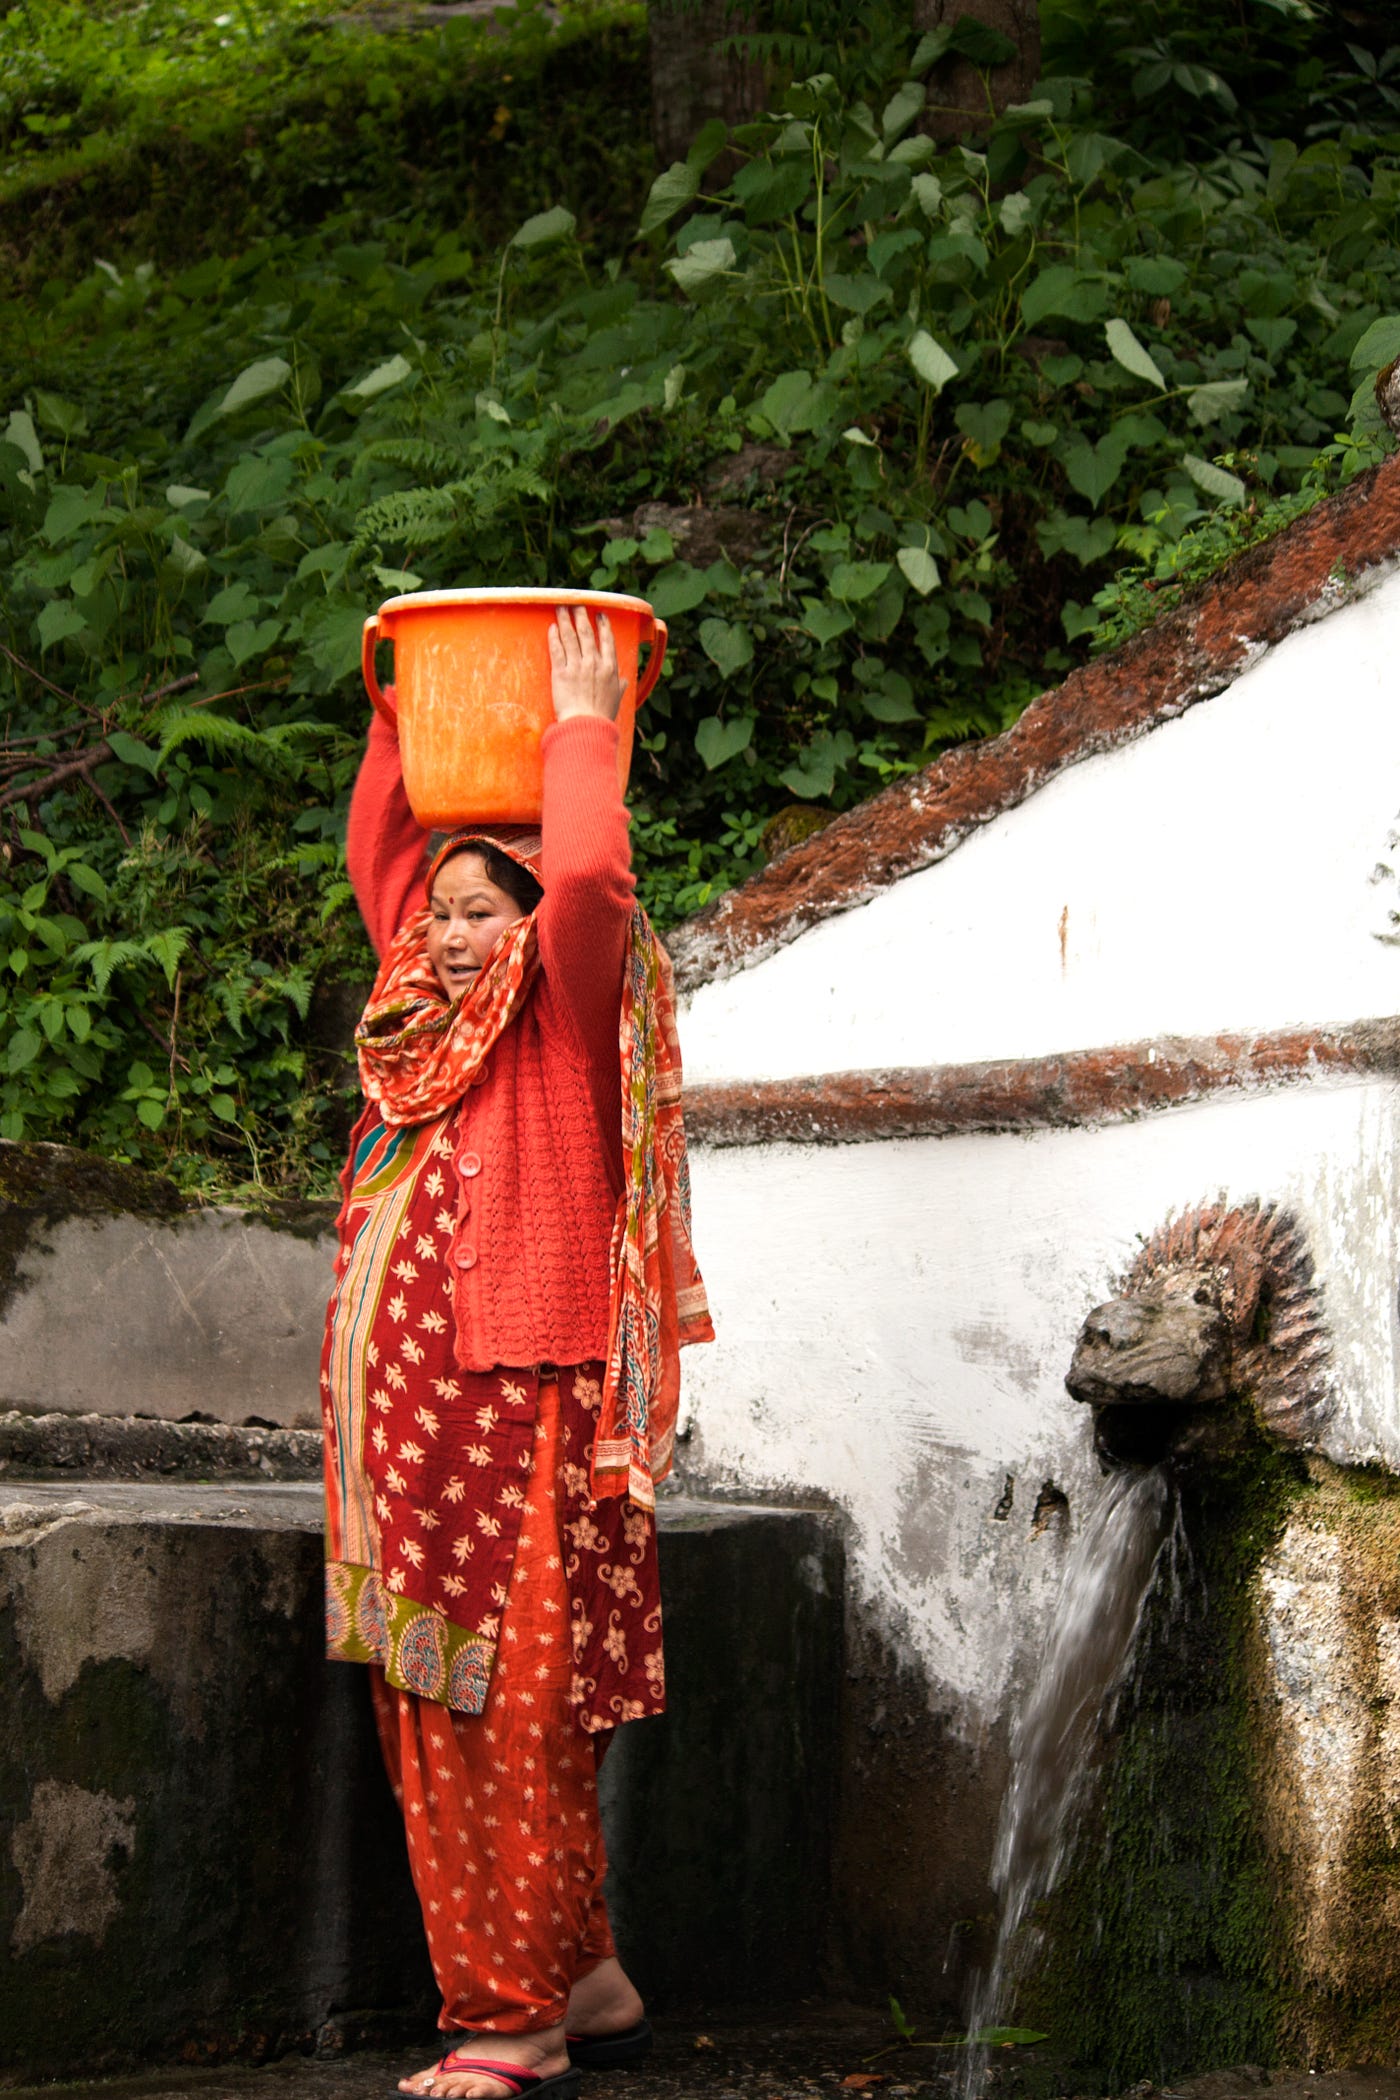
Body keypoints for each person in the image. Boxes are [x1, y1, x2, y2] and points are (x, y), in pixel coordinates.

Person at [319, 605, 712, 2100]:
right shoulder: (417, 1018)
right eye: (447, 911)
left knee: (505, 1703)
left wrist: (577, 724)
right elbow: (381, 859)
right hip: (411, 1421)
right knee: (449, 1695)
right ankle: (588, 1974)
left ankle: (509, 2016)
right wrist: (393, 717)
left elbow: (594, 870)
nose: (457, 932)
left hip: (513, 1392)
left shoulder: (564, 1009)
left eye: (494, 911)